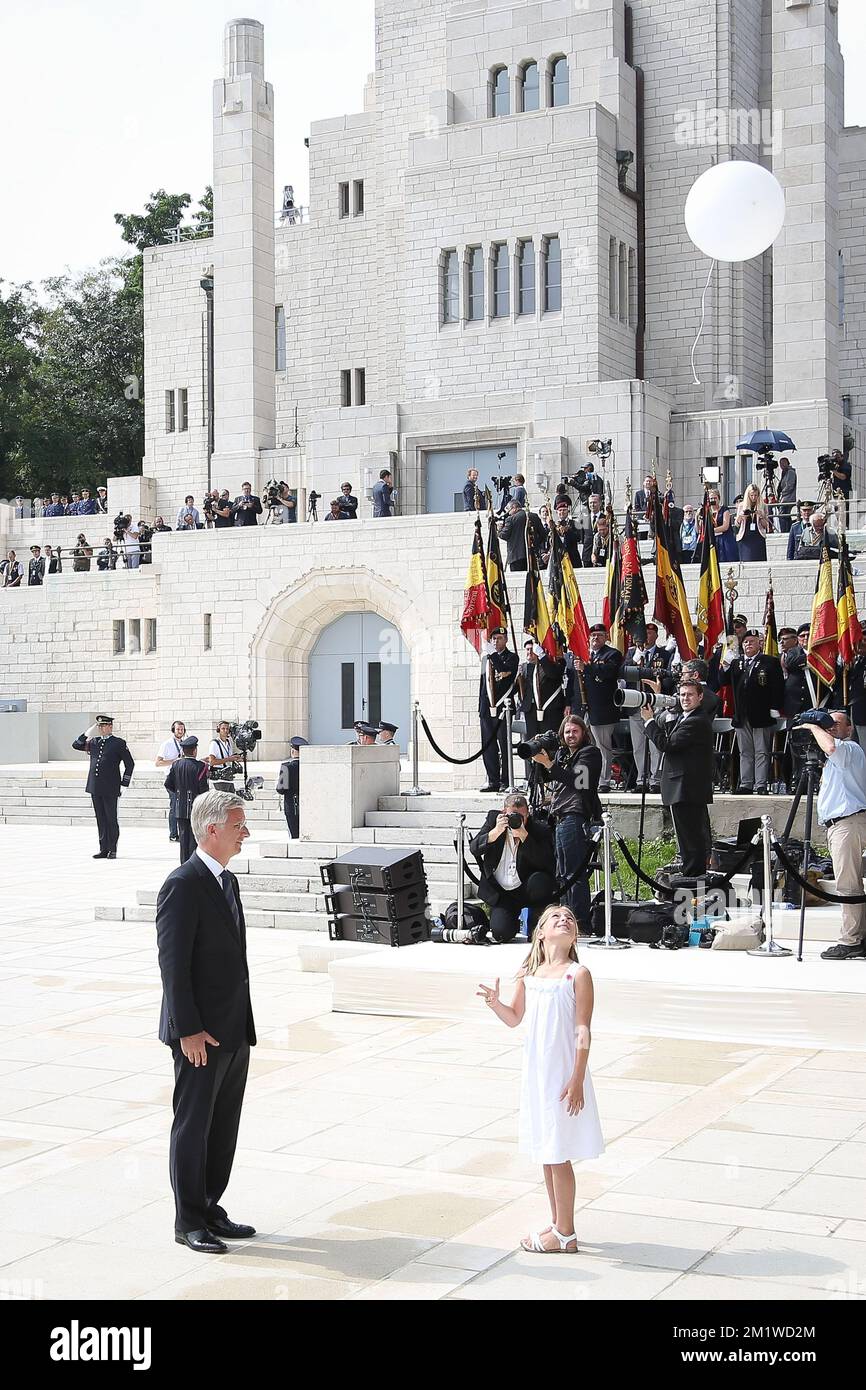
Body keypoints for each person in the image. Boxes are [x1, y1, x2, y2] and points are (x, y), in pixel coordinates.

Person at [155, 790, 256, 1252]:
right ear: (212, 829)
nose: (246, 834)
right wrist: (188, 1029)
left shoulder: (227, 882)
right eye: (238, 826)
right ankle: (188, 1220)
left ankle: (211, 1205)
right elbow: (173, 968)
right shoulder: (183, 884)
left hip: (233, 1029)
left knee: (224, 1126)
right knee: (193, 1126)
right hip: (199, 1035)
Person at [477, 904, 603, 1253]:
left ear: (574, 935)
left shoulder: (578, 974)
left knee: (558, 1151)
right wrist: (495, 1003)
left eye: (570, 918)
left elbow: (583, 1030)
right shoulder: (529, 973)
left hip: (563, 1072)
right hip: (538, 1072)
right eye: (555, 918)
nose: (564, 919)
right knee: (547, 1151)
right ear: (541, 932)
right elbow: (515, 1017)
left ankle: (566, 1233)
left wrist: (577, 1078)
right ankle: (556, 1224)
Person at [799, 711, 866, 959]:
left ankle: (850, 941)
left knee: (848, 885)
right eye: (826, 723)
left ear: (849, 729)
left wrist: (812, 726)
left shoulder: (849, 749)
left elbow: (830, 746)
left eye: (836, 724)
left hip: (848, 824)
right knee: (851, 883)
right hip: (840, 825)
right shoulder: (834, 757)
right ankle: (859, 935)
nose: (829, 727)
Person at [532, 715, 602, 935]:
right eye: (567, 732)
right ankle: (564, 919)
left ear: (583, 732)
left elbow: (579, 782)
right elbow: (548, 779)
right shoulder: (564, 754)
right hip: (560, 818)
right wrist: (542, 758)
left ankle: (580, 923)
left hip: (575, 816)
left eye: (575, 731)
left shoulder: (589, 753)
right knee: (562, 875)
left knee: (574, 874)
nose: (570, 736)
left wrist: (549, 764)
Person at [640, 676, 714, 877]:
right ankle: (691, 871)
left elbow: (667, 744)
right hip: (683, 786)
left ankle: (693, 874)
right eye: (682, 695)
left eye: (690, 694)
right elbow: (668, 733)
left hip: (687, 787)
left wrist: (648, 722)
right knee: (687, 836)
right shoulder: (685, 717)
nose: (685, 699)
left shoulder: (696, 720)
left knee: (691, 837)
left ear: (700, 696)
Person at [469, 793, 556, 942]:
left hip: (527, 889)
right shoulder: (493, 821)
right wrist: (495, 833)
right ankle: (511, 923)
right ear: (504, 813)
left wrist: (524, 837)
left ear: (528, 814)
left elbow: (547, 863)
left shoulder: (539, 830)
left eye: (522, 816)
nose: (517, 820)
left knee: (541, 881)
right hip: (502, 893)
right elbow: (474, 848)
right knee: (501, 933)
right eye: (512, 816)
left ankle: (536, 922)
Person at [719, 630, 784, 794]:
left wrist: (775, 707)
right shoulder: (737, 662)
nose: (748, 644)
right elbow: (723, 681)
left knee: (762, 750)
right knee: (745, 751)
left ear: (759, 644)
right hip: (741, 714)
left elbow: (777, 687)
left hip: (761, 713)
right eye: (746, 642)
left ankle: (760, 784)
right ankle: (746, 783)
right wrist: (725, 664)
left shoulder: (769, 662)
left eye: (753, 641)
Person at [72, 715, 135, 859]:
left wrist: (124, 784)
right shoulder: (94, 742)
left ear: (110, 726)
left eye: (103, 726)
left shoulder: (118, 743)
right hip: (95, 786)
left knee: (111, 819)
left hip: (111, 786)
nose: (101, 729)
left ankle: (112, 849)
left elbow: (130, 764)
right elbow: (76, 745)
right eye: (99, 726)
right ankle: (103, 848)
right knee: (100, 818)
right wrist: (88, 732)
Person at [574, 623, 623, 791]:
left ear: (606, 637)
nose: (595, 638)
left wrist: (586, 667)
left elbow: (608, 671)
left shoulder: (612, 654)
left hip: (602, 708)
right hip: (583, 708)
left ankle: (603, 781)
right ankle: (584, 780)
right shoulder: (583, 654)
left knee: (602, 746)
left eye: (600, 635)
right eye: (593, 636)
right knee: (582, 746)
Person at [625, 621, 671, 791]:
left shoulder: (664, 654)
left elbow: (668, 678)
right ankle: (641, 780)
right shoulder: (631, 653)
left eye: (650, 633)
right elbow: (622, 672)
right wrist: (636, 657)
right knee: (638, 746)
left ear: (656, 635)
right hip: (635, 704)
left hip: (654, 705)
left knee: (655, 743)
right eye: (643, 633)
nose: (646, 637)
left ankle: (655, 780)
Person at [479, 628, 519, 792]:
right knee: (488, 746)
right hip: (487, 708)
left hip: (504, 707)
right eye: (493, 638)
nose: (495, 641)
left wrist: (492, 655)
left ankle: (505, 781)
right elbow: (484, 685)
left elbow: (504, 671)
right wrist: (481, 707)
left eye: (500, 638)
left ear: (506, 640)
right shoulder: (486, 660)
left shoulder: (512, 658)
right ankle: (493, 781)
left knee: (504, 744)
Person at [164, 737, 211, 863]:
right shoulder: (201, 766)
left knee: (183, 839)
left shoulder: (176, 764)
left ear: (183, 751)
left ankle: (184, 864)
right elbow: (203, 789)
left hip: (180, 808)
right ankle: (192, 864)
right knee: (195, 839)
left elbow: (168, 784)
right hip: (196, 808)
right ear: (195, 750)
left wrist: (180, 793)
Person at [156, 721, 190, 842]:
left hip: (184, 777)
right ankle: (173, 833)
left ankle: (183, 832)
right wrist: (175, 761)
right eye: (178, 729)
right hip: (172, 778)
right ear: (173, 730)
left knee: (183, 806)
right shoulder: (167, 744)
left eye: (182, 729)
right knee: (174, 806)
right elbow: (158, 762)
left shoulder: (186, 743)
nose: (180, 732)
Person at [497, 501, 546, 572]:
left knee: (519, 581)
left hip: (516, 557)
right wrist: (535, 544)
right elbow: (543, 534)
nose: (508, 513)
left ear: (514, 508)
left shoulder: (511, 519)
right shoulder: (534, 516)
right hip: (532, 554)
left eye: (508, 510)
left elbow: (504, 535)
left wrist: (499, 530)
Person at [276, 736, 307, 838]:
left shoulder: (287, 767)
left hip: (292, 805)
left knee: (294, 834)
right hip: (307, 804)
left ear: (293, 751)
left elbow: (281, 789)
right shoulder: (309, 766)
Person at [735, 483, 769, 560]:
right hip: (745, 536)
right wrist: (742, 517)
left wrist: (761, 516)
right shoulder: (741, 505)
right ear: (748, 495)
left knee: (759, 560)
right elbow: (737, 524)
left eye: (756, 495)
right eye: (751, 495)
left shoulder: (763, 505)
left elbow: (766, 525)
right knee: (746, 559)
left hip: (758, 535)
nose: (754, 498)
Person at [706, 488, 738, 564]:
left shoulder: (724, 510)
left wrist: (711, 530)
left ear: (718, 498)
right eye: (711, 498)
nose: (713, 500)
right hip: (713, 539)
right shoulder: (707, 512)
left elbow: (725, 526)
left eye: (715, 498)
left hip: (725, 539)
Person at [208, 721, 238, 791]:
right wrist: (228, 759)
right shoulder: (214, 743)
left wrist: (237, 758)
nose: (225, 731)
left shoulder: (229, 743)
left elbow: (228, 757)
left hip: (228, 777)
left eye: (227, 729)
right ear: (218, 730)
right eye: (223, 728)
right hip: (219, 779)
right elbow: (212, 762)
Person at [776, 457, 797, 532]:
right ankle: (787, 530)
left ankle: (786, 531)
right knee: (785, 516)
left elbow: (790, 486)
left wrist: (782, 493)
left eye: (783, 463)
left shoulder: (790, 472)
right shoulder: (784, 473)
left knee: (783, 516)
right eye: (780, 464)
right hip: (785, 498)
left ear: (787, 463)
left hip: (788, 498)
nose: (782, 465)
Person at [831, 449, 851, 527]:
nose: (836, 459)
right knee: (837, 510)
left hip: (844, 491)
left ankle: (846, 526)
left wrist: (834, 471)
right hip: (835, 491)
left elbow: (843, 477)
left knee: (844, 510)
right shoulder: (834, 465)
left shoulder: (846, 465)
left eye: (837, 457)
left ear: (841, 456)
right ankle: (839, 525)